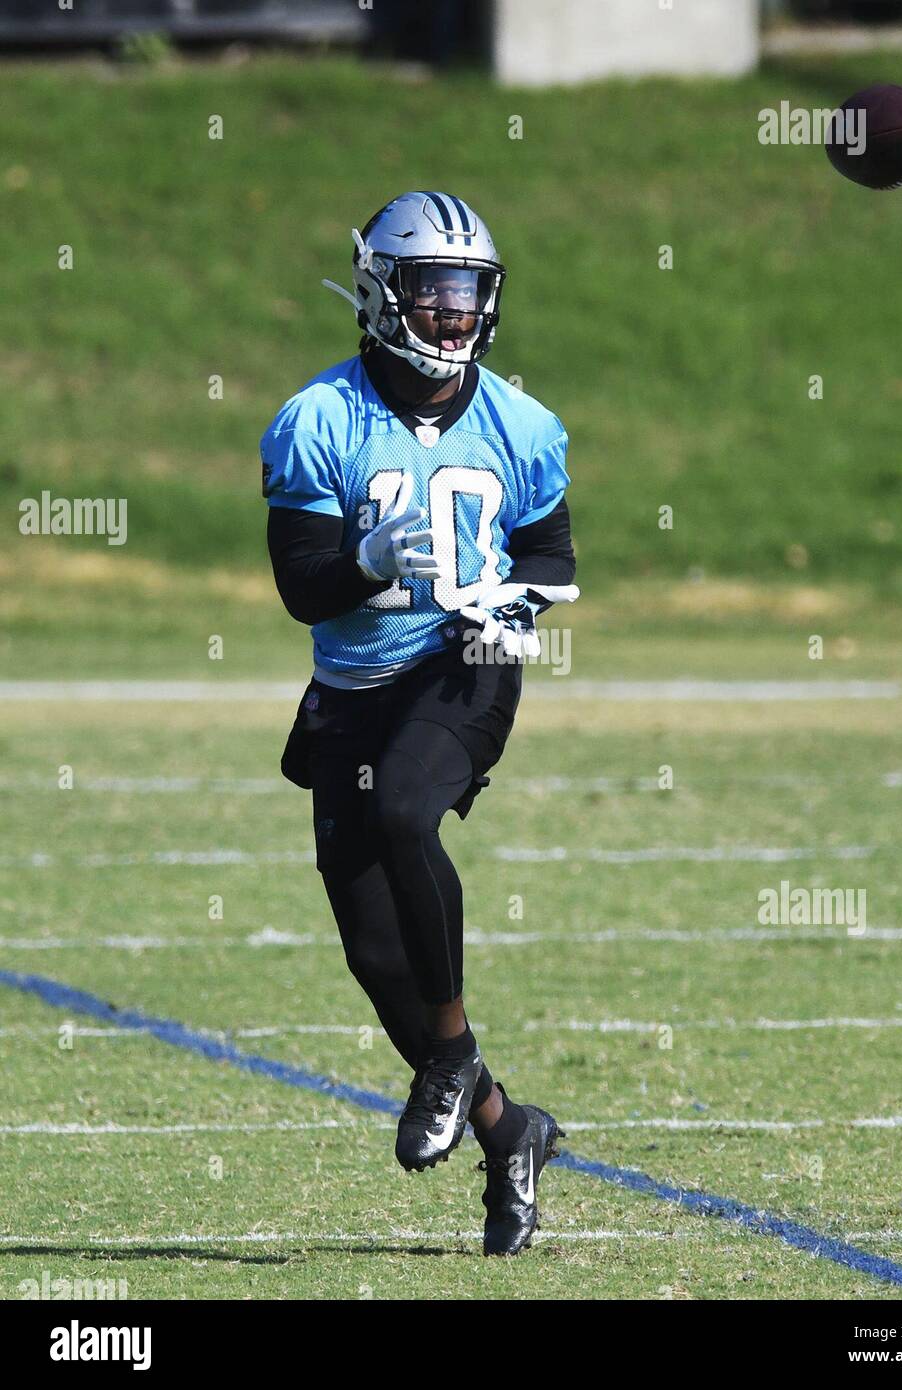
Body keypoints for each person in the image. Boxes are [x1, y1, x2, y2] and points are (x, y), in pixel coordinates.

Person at [262, 191, 578, 1255]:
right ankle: (508, 1130)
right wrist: (366, 561)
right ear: (379, 291)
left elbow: (550, 553)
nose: (451, 313)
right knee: (371, 950)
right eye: (432, 289)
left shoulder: (522, 426)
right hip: (354, 684)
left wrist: (516, 604)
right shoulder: (317, 420)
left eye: (467, 291)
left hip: (467, 660)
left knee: (406, 812)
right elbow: (304, 590)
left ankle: (446, 1063)